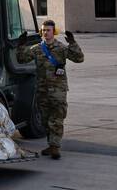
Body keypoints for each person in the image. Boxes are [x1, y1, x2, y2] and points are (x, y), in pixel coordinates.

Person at [16, 19, 84, 159]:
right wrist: (21, 45)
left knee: (57, 118)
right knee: (45, 120)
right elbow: (21, 59)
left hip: (58, 90)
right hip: (43, 90)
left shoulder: (61, 48)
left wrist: (72, 43)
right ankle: (51, 144)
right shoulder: (37, 48)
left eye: (48, 30)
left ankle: (55, 147)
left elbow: (79, 58)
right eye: (43, 30)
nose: (45, 33)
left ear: (54, 32)